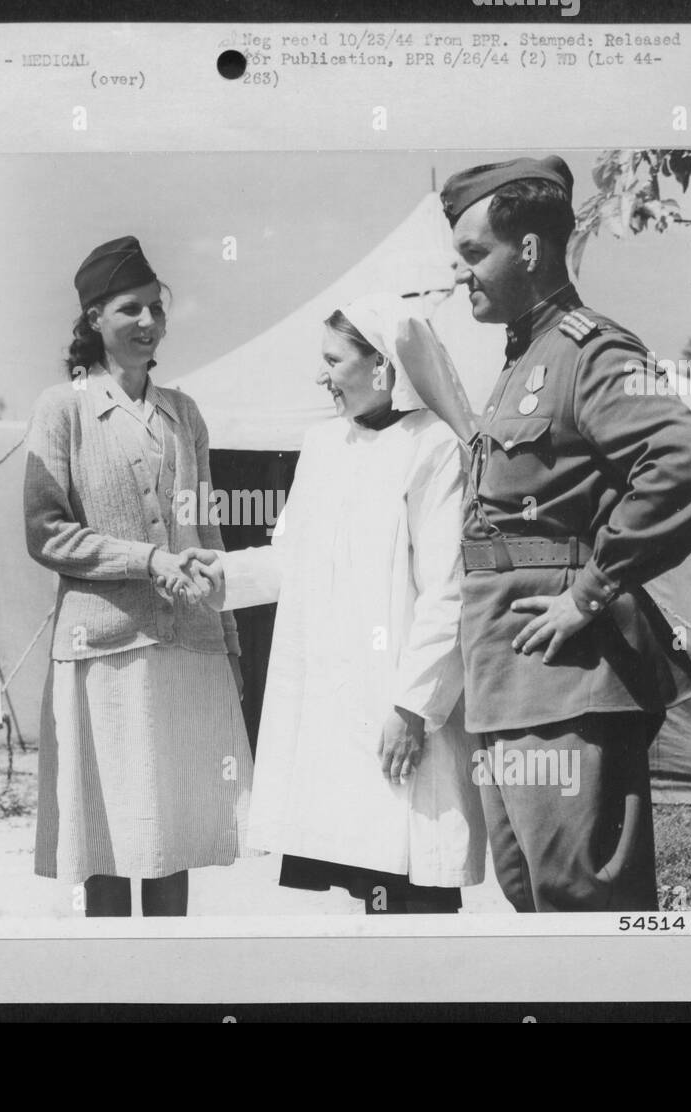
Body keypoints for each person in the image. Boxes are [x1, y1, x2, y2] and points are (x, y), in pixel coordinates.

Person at [439, 155, 691, 912]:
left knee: (585, 902)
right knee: (534, 897)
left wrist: (592, 592)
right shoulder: (524, 357)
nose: (461, 274)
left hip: (570, 675)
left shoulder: (590, 351)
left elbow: (681, 461)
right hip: (508, 677)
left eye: (473, 255)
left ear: (527, 250)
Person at [185, 294, 486, 914]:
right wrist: (222, 577)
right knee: (358, 882)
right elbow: (292, 559)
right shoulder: (321, 444)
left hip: (397, 708)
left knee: (411, 892)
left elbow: (447, 589)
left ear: (382, 367)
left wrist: (413, 706)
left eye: (332, 360)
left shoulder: (431, 446)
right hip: (332, 706)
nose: (319, 377)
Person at [23, 235, 253, 917]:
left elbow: (206, 534)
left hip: (187, 653)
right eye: (130, 309)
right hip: (105, 659)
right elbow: (46, 533)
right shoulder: (62, 408)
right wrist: (147, 560)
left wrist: (230, 641)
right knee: (106, 844)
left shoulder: (184, 412)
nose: (148, 323)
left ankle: (170, 989)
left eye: (156, 308)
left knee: (171, 841)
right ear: (93, 318)